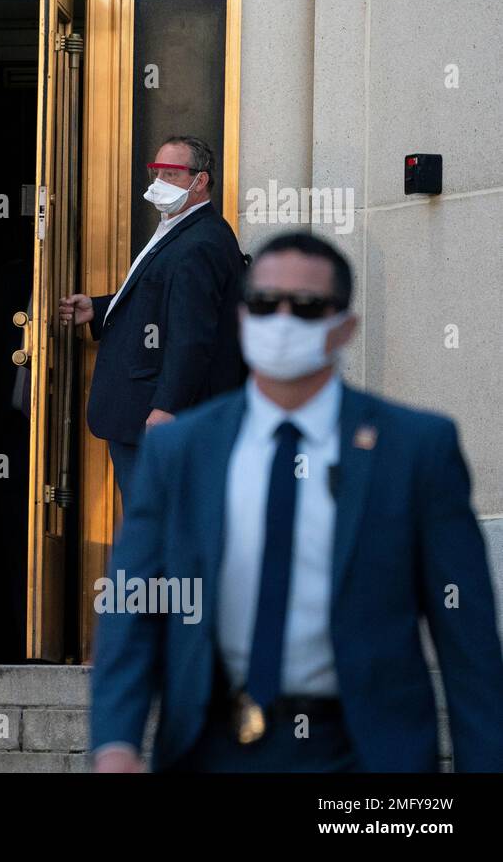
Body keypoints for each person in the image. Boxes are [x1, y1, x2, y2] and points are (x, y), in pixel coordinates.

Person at [90, 231, 503, 772]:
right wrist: (115, 744)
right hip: (209, 748)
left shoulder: (416, 449)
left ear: (343, 328)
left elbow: (467, 642)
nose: (281, 320)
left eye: (306, 307)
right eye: (263, 304)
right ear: (241, 317)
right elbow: (133, 605)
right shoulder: (181, 449)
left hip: (362, 755)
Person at [59, 136, 244, 503]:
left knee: (159, 531)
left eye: (171, 174)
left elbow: (192, 336)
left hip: (155, 419)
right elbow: (163, 300)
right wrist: (100, 308)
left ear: (200, 180)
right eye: (156, 171)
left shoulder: (200, 242)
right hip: (143, 416)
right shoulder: (180, 229)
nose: (160, 181)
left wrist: (166, 408)